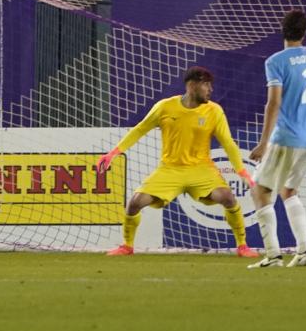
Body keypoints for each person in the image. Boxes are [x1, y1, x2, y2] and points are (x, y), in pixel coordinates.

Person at [97, 66, 258, 257]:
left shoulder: (214, 111)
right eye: (206, 84)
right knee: (135, 203)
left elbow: (228, 143)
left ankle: (242, 246)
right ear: (192, 85)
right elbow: (140, 129)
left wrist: (242, 172)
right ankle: (127, 246)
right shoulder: (165, 107)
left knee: (228, 198)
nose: (210, 89)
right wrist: (113, 153)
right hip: (170, 170)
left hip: (201, 170)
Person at [247, 9, 306, 269]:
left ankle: (274, 255)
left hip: (285, 136)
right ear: (305, 32)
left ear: (282, 30)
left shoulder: (276, 61)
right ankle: (303, 251)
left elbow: (274, 102)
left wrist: (264, 142)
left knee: (260, 190)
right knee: (289, 191)